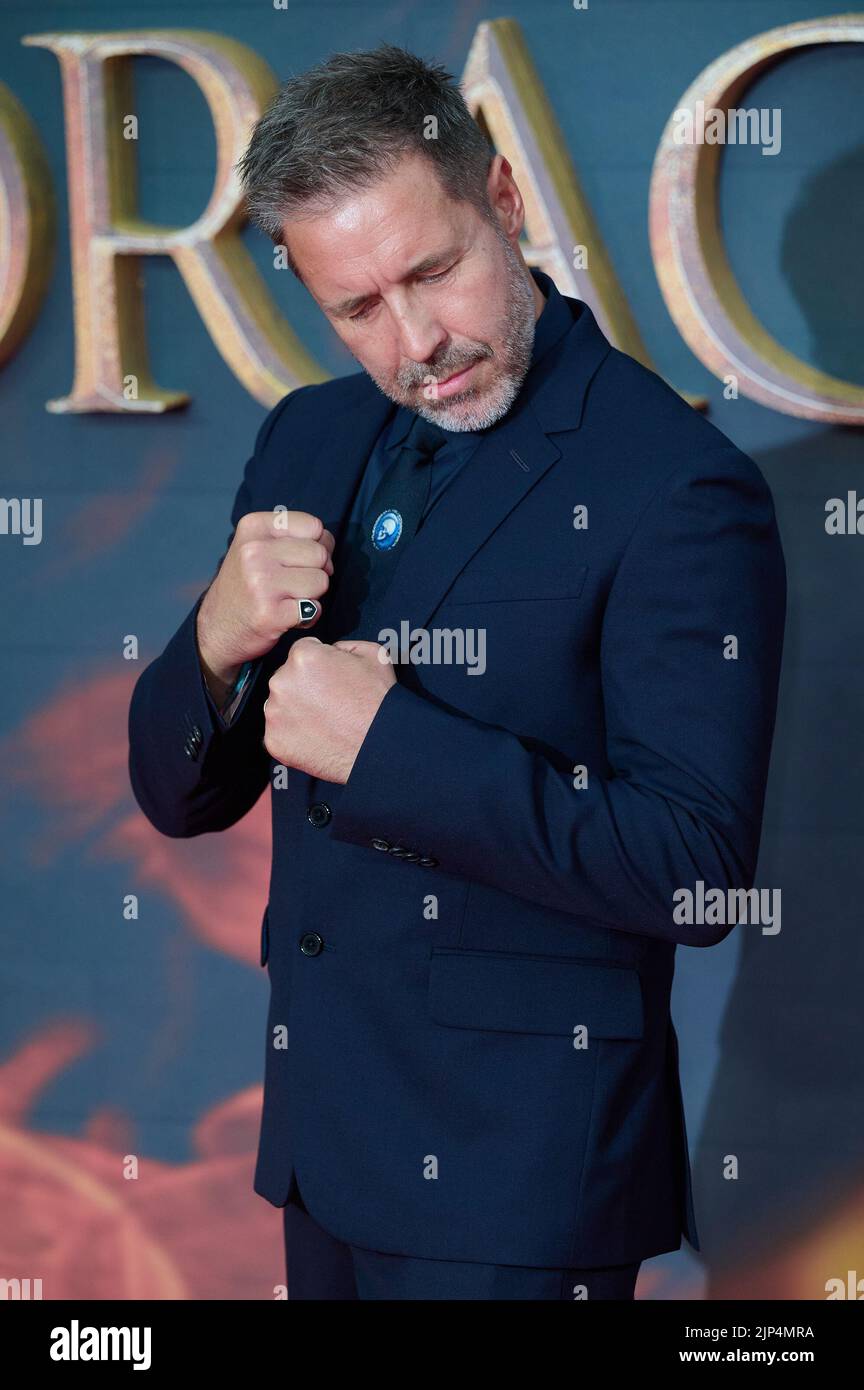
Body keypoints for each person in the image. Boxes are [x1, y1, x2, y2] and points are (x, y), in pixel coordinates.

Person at [128, 44, 786, 1301]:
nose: (418, 339)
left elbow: (698, 872)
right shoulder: (306, 434)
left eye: (435, 272)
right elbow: (175, 795)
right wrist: (211, 641)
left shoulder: (674, 486)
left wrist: (390, 751)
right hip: (319, 1157)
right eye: (356, 308)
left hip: (522, 1185)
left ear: (503, 202)